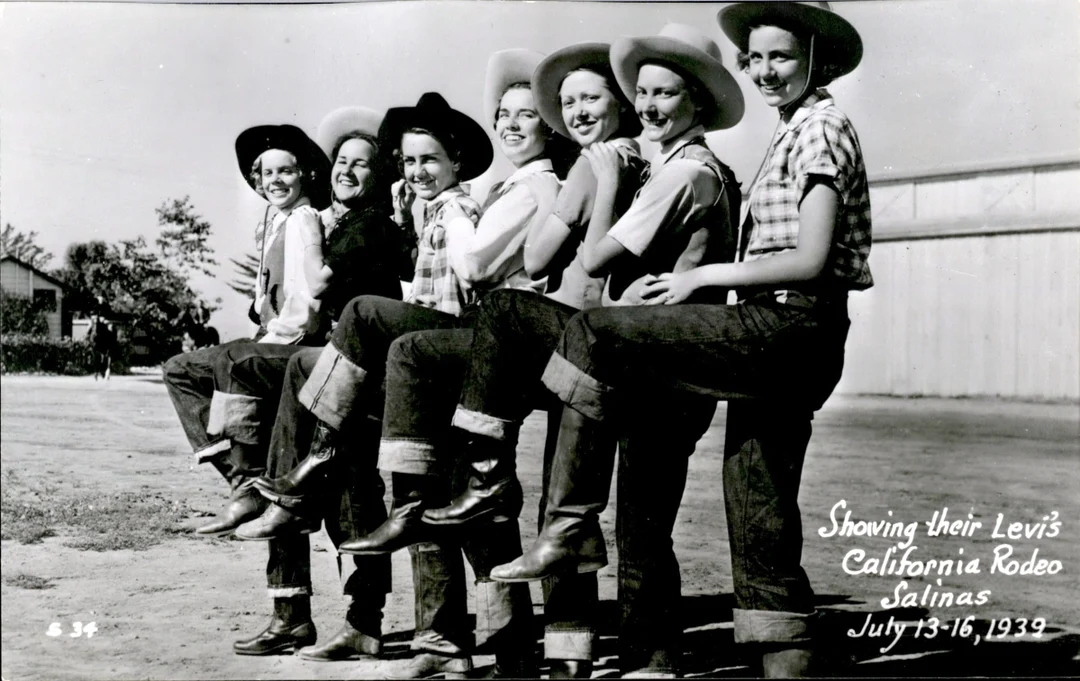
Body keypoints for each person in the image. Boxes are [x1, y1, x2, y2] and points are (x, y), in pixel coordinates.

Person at [498, 4, 873, 677]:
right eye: (755, 58)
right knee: (756, 496)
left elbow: (813, 257)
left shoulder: (819, 128)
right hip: (784, 329)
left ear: (816, 59)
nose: (765, 71)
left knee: (593, 330)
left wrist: (699, 276)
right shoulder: (793, 129)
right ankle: (784, 657)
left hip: (789, 322)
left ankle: (570, 524)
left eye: (781, 57)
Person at [235, 80, 558, 678]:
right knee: (422, 493)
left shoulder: (461, 209)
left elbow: (471, 277)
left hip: (464, 361)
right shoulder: (427, 213)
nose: (417, 171)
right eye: (408, 162)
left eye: (429, 159)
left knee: (465, 502)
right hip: (429, 362)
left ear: (457, 161)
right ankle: (440, 640)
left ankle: (502, 642)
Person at [369, 41, 646, 678]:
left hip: (560, 339)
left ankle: (546, 643)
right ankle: (535, 645)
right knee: (544, 498)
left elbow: (514, 266)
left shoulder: (560, 178)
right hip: (538, 340)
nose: (512, 124)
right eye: (503, 114)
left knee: (554, 501)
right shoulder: (530, 182)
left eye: (527, 114)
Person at [197, 106, 407, 661]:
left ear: (380, 175)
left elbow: (320, 293)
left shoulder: (370, 226)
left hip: (356, 378)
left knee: (352, 494)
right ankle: (289, 615)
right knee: (283, 486)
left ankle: (362, 620)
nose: (347, 171)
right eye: (342, 161)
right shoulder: (324, 221)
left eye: (362, 164)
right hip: (315, 371)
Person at [161, 125, 331, 516]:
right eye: (267, 173)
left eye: (285, 171)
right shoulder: (276, 222)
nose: (276, 181)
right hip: (272, 333)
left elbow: (306, 299)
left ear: (303, 174)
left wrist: (272, 337)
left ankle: (249, 478)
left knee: (233, 362)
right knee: (179, 370)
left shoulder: (303, 219)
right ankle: (244, 479)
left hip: (293, 340)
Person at [88, 315, 116, 380]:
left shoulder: (104, 326)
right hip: (97, 344)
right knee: (98, 358)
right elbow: (89, 334)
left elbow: (109, 335)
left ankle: (101, 371)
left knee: (103, 358)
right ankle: (97, 371)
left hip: (103, 344)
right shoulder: (94, 326)